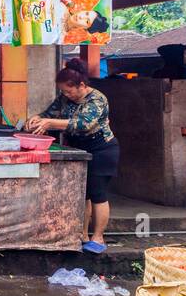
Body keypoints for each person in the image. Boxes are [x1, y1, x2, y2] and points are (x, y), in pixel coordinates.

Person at [24, 57, 119, 254]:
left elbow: (84, 124)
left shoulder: (97, 99)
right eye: (63, 91)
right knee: (82, 193)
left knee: (97, 193)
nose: (66, 95)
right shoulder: (64, 98)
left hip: (101, 149)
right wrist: (37, 119)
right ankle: (82, 235)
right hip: (79, 150)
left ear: (82, 85)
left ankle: (98, 237)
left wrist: (50, 123)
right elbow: (49, 113)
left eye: (69, 91)